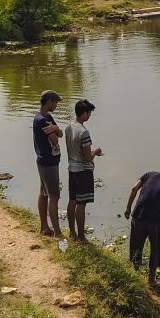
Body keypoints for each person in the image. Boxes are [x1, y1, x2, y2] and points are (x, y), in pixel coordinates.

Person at [65, 99, 102, 242]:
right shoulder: (84, 132)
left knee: (72, 200)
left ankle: (72, 232)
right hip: (83, 172)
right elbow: (87, 157)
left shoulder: (69, 127)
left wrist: (88, 152)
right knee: (81, 203)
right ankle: (81, 236)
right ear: (84, 113)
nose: (90, 115)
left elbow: (75, 149)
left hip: (72, 169)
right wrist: (95, 152)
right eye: (89, 112)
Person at [33, 90, 63, 238]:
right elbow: (56, 139)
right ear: (49, 102)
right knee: (54, 195)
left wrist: (55, 128)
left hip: (45, 161)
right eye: (56, 102)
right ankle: (57, 232)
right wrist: (55, 131)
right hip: (48, 162)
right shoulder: (41, 120)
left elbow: (60, 133)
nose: (57, 105)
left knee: (44, 193)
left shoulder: (48, 117)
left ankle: (44, 227)